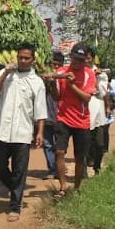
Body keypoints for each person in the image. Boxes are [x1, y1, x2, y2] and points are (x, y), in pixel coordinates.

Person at [0, 42, 47, 221]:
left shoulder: (37, 82)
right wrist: (5, 72)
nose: (22, 61)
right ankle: (14, 187)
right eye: (20, 57)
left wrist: (40, 132)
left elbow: (40, 110)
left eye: (26, 58)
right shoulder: (6, 75)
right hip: (2, 131)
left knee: (19, 170)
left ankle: (15, 205)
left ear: (33, 60)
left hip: (22, 133)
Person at [47, 43, 96, 197]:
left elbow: (87, 98)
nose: (77, 63)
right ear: (70, 57)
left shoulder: (89, 74)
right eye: (75, 59)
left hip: (82, 121)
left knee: (79, 157)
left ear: (85, 61)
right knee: (59, 152)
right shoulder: (61, 72)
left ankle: (76, 187)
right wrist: (52, 85)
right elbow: (57, 97)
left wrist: (72, 85)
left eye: (81, 60)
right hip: (63, 118)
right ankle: (62, 187)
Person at [41, 50, 65, 180]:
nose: (55, 67)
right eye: (53, 64)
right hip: (46, 116)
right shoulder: (44, 79)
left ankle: (59, 167)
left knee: (59, 145)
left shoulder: (64, 78)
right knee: (47, 144)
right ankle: (52, 168)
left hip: (60, 116)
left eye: (58, 65)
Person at [87, 59, 111, 178]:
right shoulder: (81, 73)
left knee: (100, 144)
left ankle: (97, 166)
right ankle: (84, 169)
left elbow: (103, 93)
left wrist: (107, 107)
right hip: (85, 113)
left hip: (99, 113)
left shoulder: (102, 75)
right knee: (86, 143)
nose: (87, 60)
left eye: (89, 57)